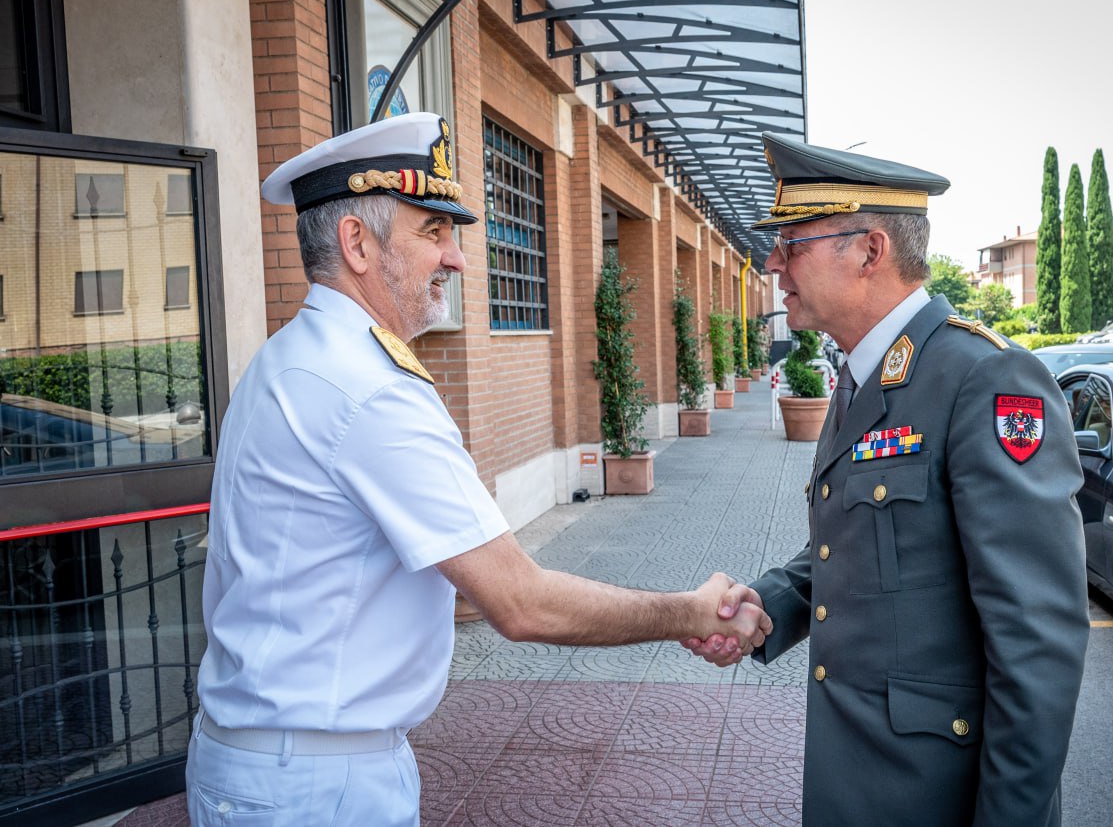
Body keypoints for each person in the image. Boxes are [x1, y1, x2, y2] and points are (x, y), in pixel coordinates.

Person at [186, 112, 771, 826]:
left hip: (273, 762)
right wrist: (690, 610)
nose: (457, 258)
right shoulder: (369, 388)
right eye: (433, 231)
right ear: (357, 243)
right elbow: (520, 601)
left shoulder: (286, 360)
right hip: (315, 785)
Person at [685, 132, 1090, 826]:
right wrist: (767, 605)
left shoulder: (985, 378)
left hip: (933, 792)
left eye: (792, 243)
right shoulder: (864, 374)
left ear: (870, 251)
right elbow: (859, 543)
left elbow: (1038, 644)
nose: (773, 263)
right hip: (859, 777)